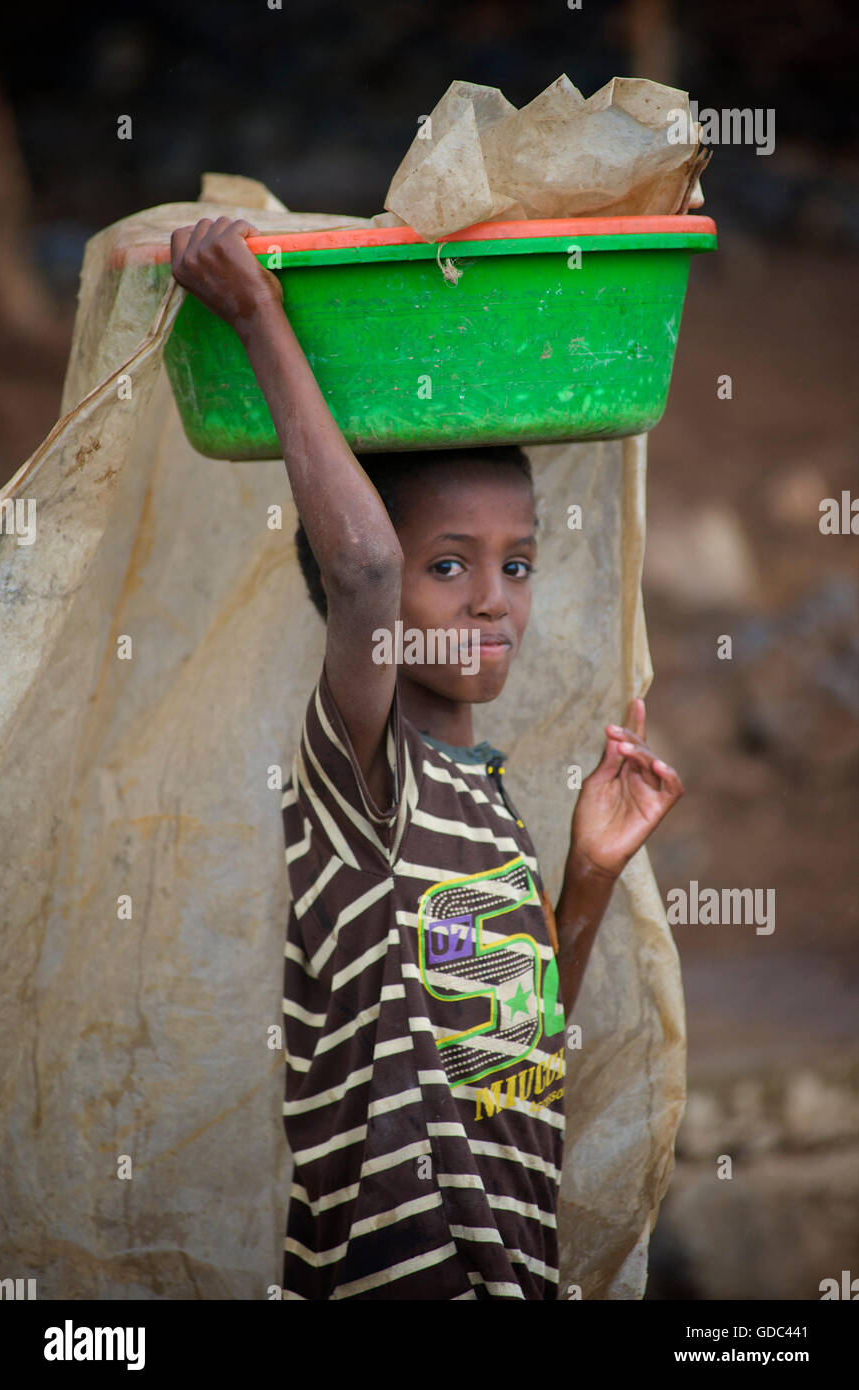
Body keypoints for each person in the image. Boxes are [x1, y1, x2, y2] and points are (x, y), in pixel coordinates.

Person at [170, 215, 685, 1300]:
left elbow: (520, 1061)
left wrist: (584, 879)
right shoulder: (362, 781)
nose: (493, 599)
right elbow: (359, 565)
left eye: (519, 563)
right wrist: (259, 318)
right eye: (446, 564)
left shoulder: (481, 801)